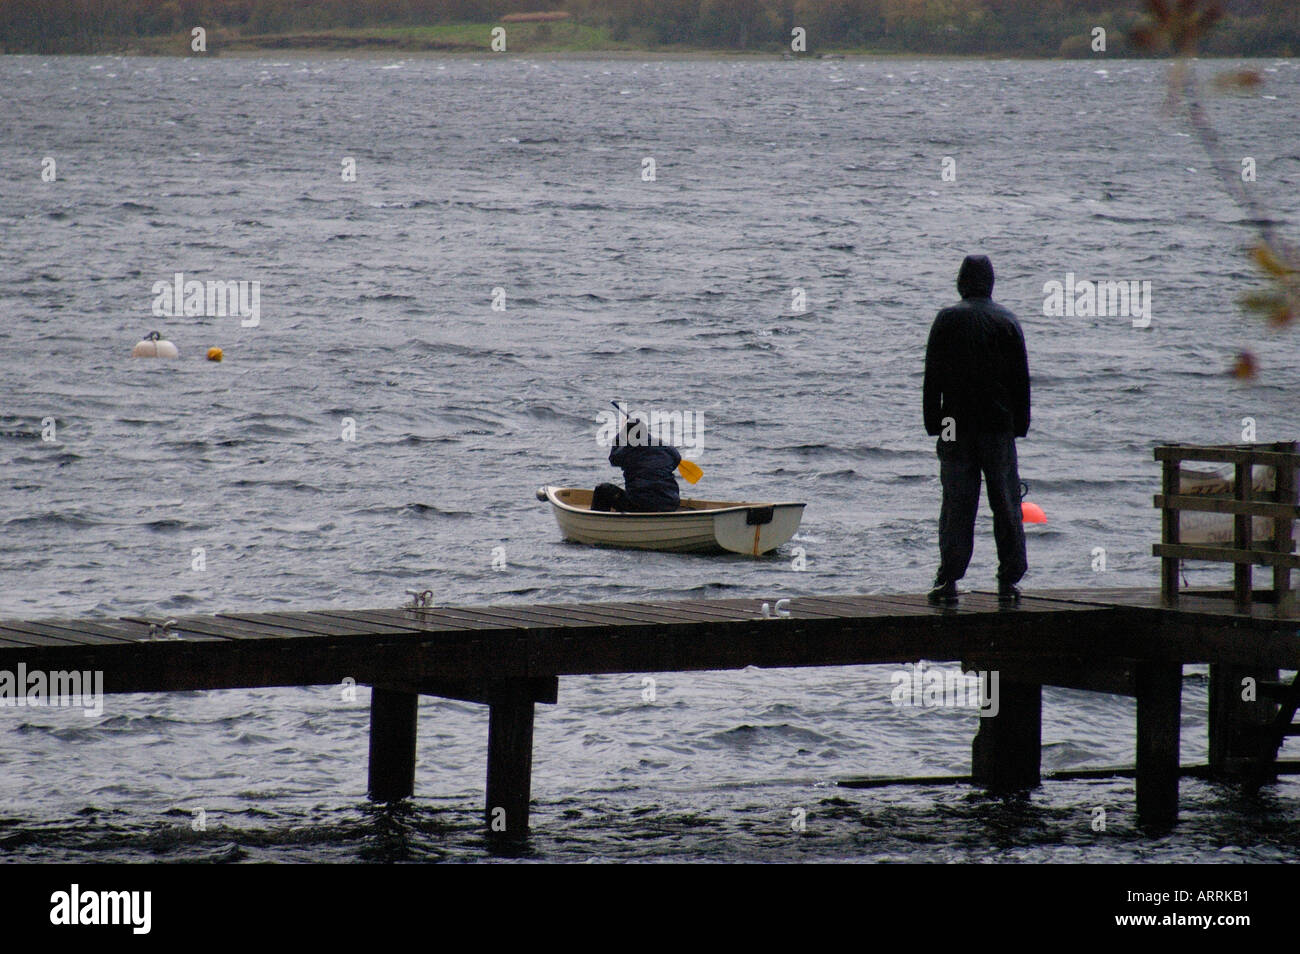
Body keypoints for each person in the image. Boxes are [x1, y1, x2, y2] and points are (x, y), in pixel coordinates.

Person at [923, 254, 1030, 605]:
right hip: (998, 425)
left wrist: (932, 422)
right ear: (991, 283)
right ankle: (1009, 578)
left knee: (956, 501)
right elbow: (1020, 382)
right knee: (1006, 501)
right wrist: (1021, 425)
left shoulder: (946, 319)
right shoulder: (1008, 321)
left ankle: (948, 578)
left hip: (953, 424)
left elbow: (932, 378)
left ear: (961, 282)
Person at [591, 415, 682, 513]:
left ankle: (597, 523)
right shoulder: (665, 447)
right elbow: (677, 459)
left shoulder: (628, 450)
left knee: (602, 490)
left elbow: (613, 458)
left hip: (640, 504)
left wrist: (621, 435)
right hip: (670, 503)